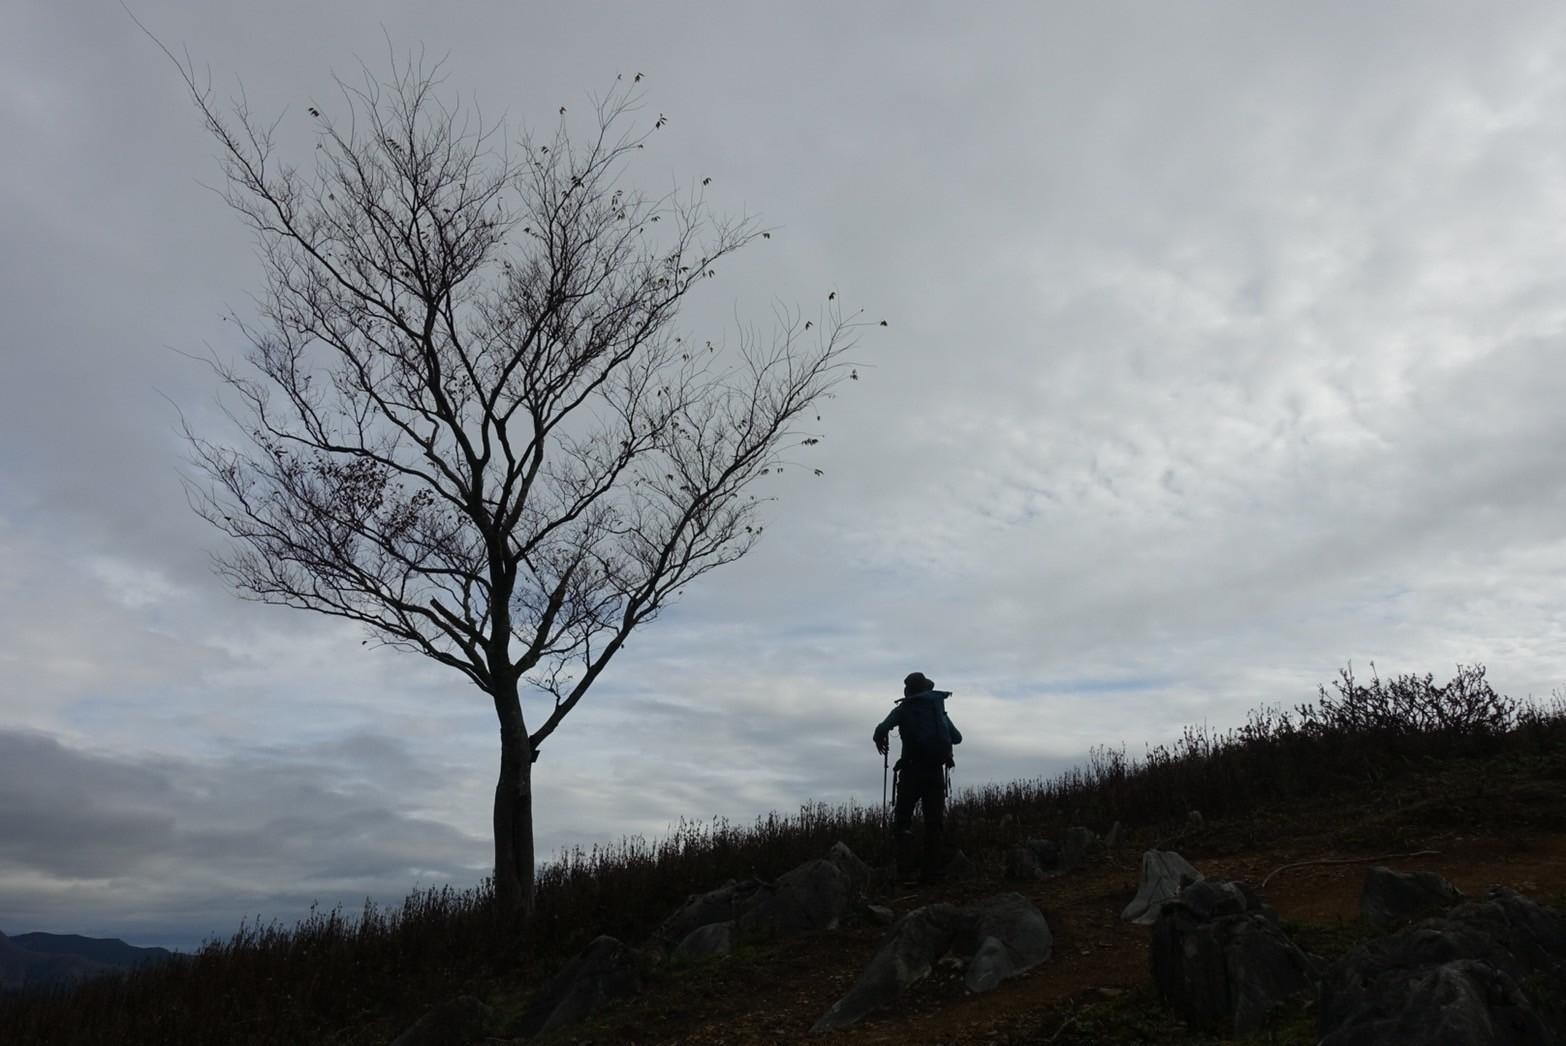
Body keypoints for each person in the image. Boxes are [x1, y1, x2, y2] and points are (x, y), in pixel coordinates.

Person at [873, 671, 962, 884]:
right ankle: (932, 873)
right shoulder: (938, 710)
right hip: (935, 772)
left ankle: (905, 870)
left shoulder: (903, 709)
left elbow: (882, 728)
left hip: (911, 772)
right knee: (934, 823)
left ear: (908, 691)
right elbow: (957, 738)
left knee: (903, 821)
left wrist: (880, 738)